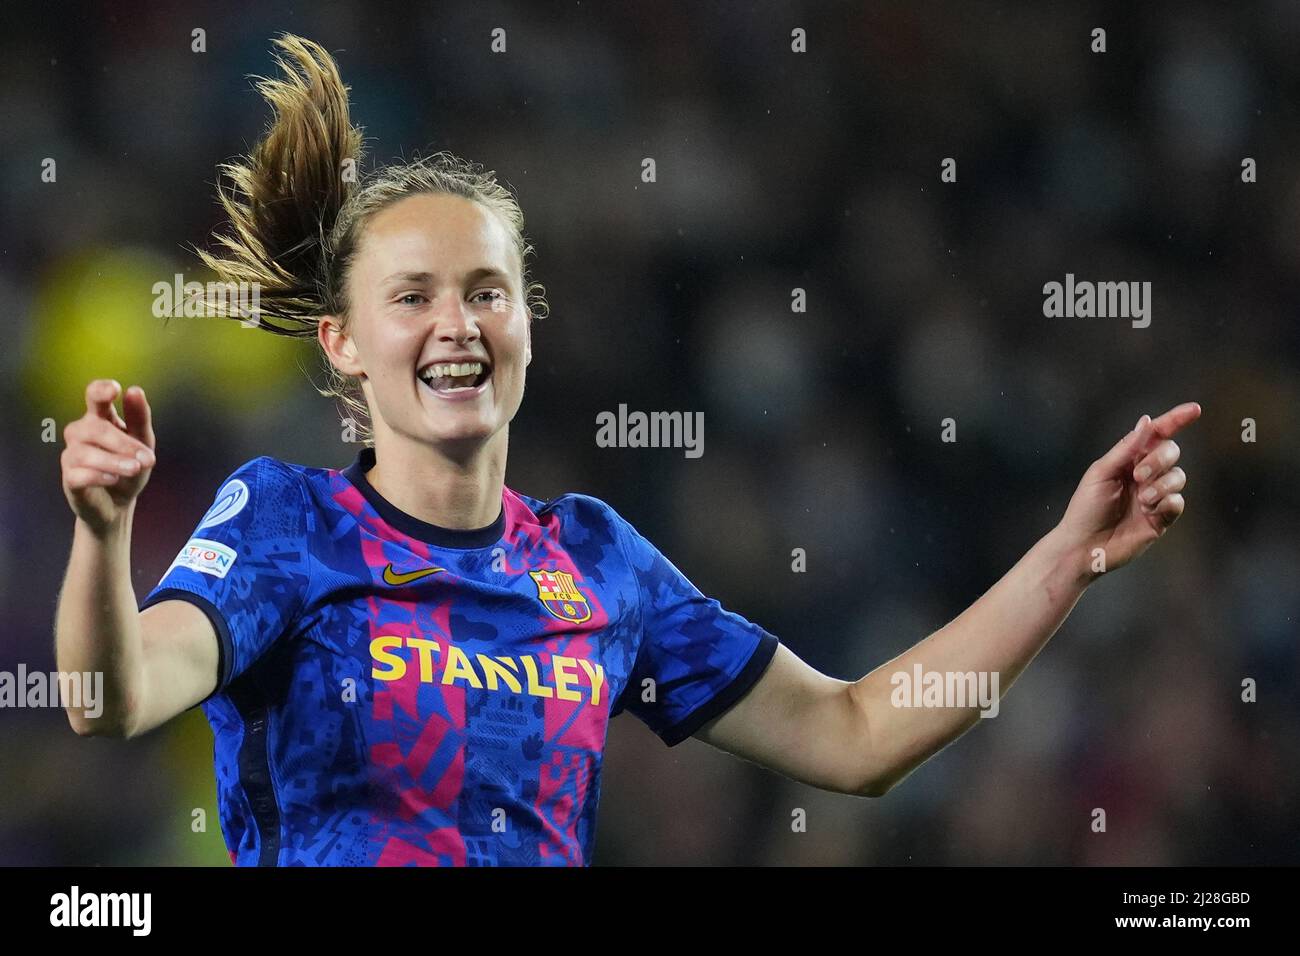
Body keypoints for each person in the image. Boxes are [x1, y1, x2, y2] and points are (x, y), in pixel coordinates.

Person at [54, 35, 1201, 866]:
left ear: (525, 324)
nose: (456, 323)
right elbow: (109, 697)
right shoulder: (284, 523)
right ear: (345, 342)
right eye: (412, 296)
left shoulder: (596, 564)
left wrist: (1067, 558)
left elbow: (855, 735)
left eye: (485, 292)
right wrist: (103, 538)